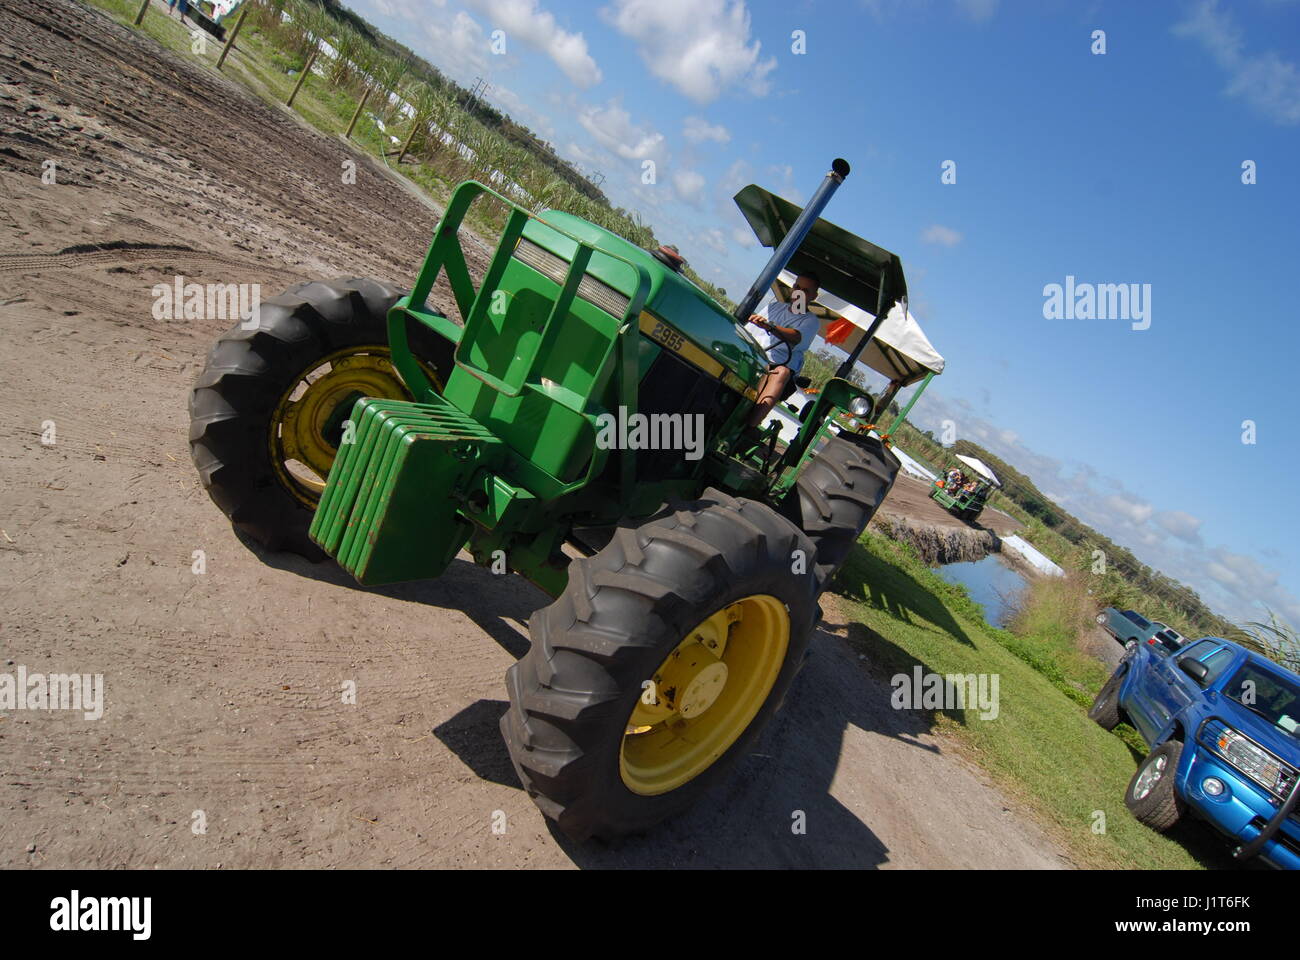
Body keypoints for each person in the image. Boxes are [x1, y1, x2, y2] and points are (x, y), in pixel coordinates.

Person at [746, 271, 822, 427]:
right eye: (797, 287)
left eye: (805, 291)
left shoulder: (810, 321)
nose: (798, 292)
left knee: (781, 372)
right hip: (753, 354)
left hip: (776, 365)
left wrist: (771, 326)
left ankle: (749, 425)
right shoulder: (774, 307)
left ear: (813, 296)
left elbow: (796, 337)